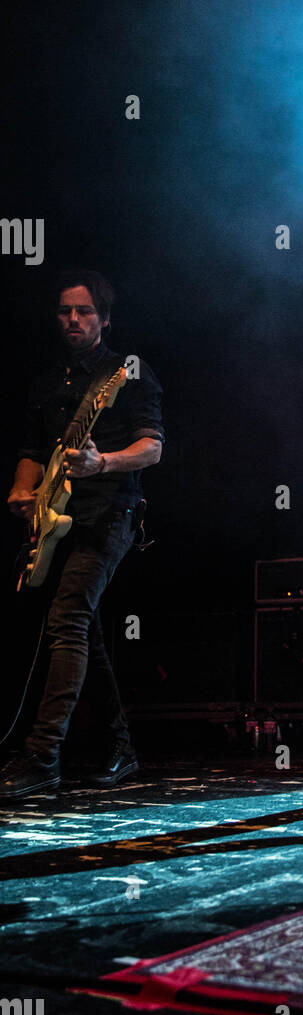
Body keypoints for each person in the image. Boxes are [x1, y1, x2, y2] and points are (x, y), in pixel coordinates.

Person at [1, 270, 164, 800]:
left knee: (68, 618)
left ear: (105, 319)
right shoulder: (47, 379)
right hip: (53, 519)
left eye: (85, 312)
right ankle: (120, 749)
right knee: (81, 628)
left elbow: (152, 447)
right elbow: (32, 450)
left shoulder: (127, 373)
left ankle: (41, 756)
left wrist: (103, 464)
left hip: (108, 514)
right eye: (66, 311)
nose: (74, 319)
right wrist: (23, 492)